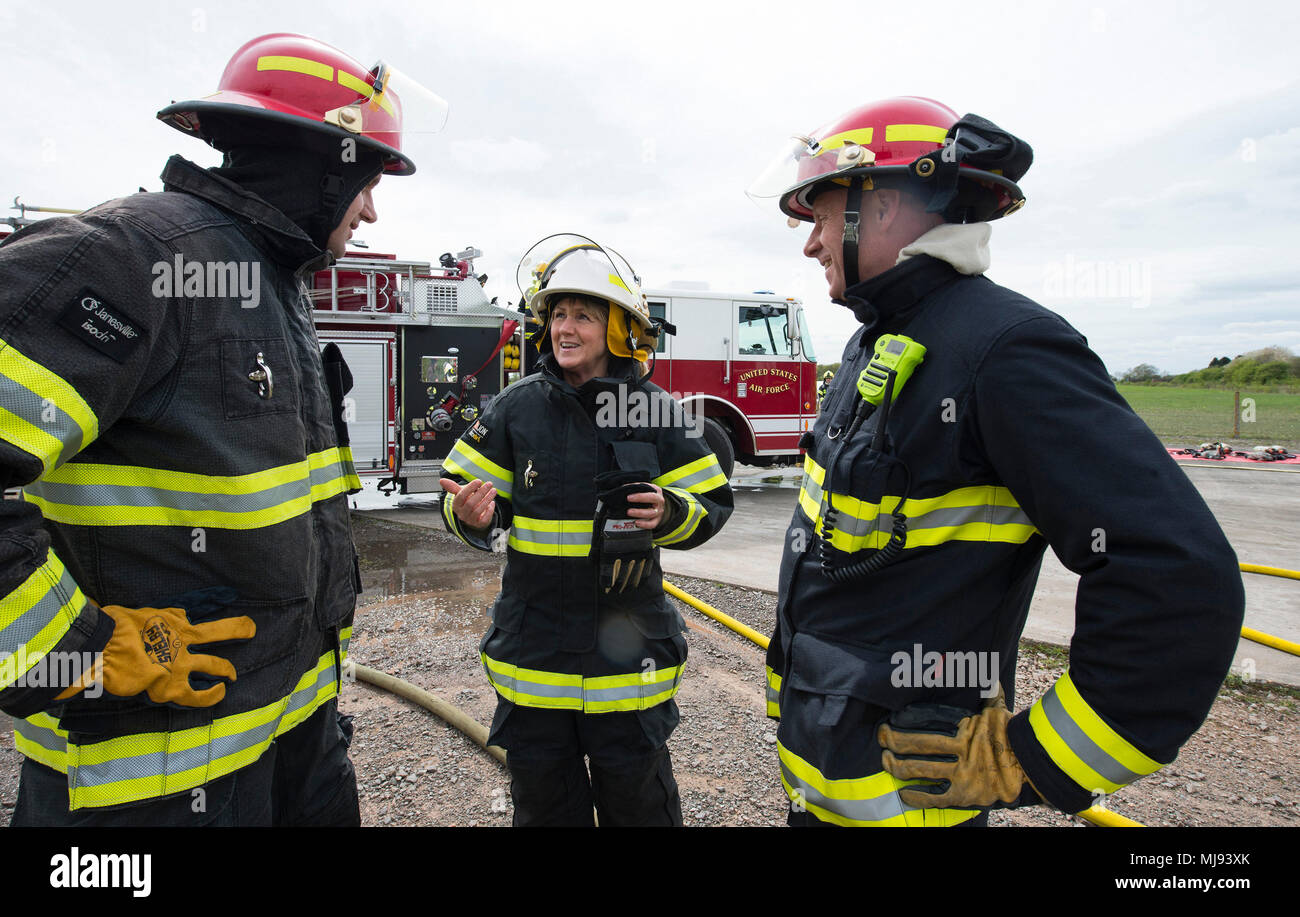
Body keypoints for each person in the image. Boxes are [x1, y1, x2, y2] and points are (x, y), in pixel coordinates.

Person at [746, 97, 1245, 826]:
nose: (810, 243)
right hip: (823, 792)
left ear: (880, 208)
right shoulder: (872, 345)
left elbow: (1180, 578)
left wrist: (1031, 757)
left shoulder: (1005, 350)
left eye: (819, 215)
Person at [0, 33, 446, 825]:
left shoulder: (275, 288)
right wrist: (75, 644)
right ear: (325, 163)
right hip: (147, 788)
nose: (372, 207)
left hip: (290, 743)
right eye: (369, 179)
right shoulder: (135, 258)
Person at [439, 235, 733, 826]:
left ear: (621, 328)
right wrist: (471, 516)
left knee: (639, 805)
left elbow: (712, 500)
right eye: (558, 316)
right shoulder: (515, 408)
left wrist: (672, 513)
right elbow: (459, 497)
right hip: (534, 657)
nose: (565, 329)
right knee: (546, 808)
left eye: (584, 316)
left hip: (628, 666)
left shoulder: (654, 410)